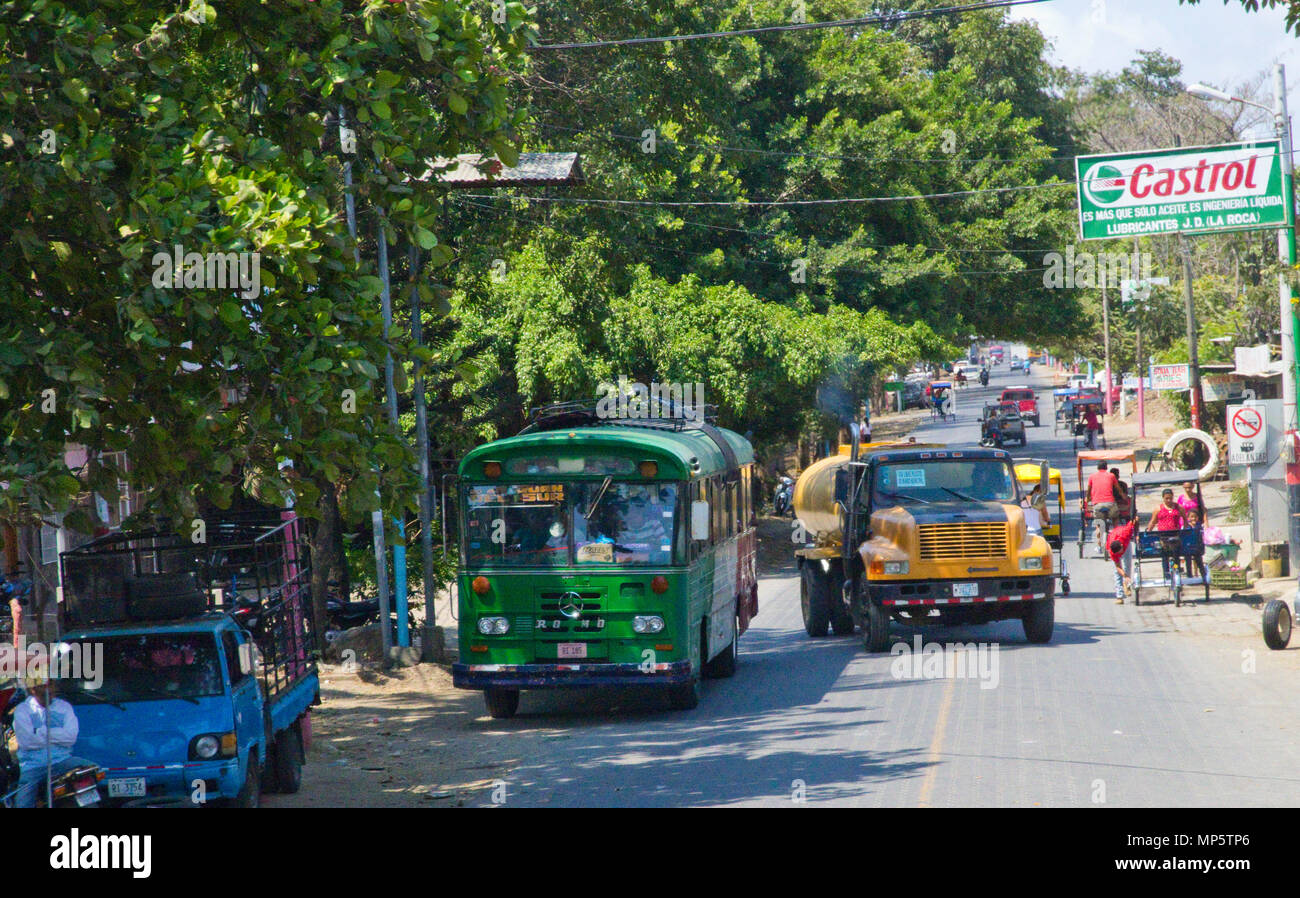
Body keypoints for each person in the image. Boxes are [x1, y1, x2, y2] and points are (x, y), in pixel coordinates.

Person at [12, 676, 94, 808]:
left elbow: (71, 737)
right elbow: (27, 742)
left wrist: (41, 732)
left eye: (51, 685)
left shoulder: (64, 707)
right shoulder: (23, 710)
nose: (49, 690)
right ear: (33, 689)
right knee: (23, 803)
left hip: (63, 760)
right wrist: (58, 734)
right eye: (43, 686)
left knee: (92, 771)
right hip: (34, 765)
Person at [1147, 488, 1187, 580]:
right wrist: (1148, 532)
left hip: (1175, 534)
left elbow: (1185, 519)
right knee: (1165, 555)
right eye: (1166, 498)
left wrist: (1184, 530)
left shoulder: (1178, 507)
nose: (1169, 500)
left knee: (1176, 554)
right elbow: (1153, 522)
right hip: (1163, 535)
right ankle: (1166, 573)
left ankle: (1176, 570)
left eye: (1170, 498)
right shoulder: (1158, 509)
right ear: (1163, 498)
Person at [1086, 460, 1119, 553]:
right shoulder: (1111, 476)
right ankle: (1116, 535)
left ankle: (1099, 546)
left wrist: (1087, 499)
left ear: (1097, 468)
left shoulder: (1092, 476)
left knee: (1098, 525)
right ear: (1106, 468)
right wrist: (1124, 496)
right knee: (1115, 518)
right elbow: (1118, 489)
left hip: (1098, 505)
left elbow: (1088, 490)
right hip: (1110, 504)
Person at [1107, 517, 1138, 604]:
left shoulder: (1126, 533)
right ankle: (1119, 596)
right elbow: (1118, 567)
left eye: (1120, 552)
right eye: (1118, 553)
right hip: (1113, 538)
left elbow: (1133, 521)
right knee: (1117, 573)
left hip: (1126, 543)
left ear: (1121, 545)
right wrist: (1125, 575)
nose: (1120, 554)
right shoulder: (1113, 552)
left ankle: (1127, 585)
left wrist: (1135, 523)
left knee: (1127, 564)